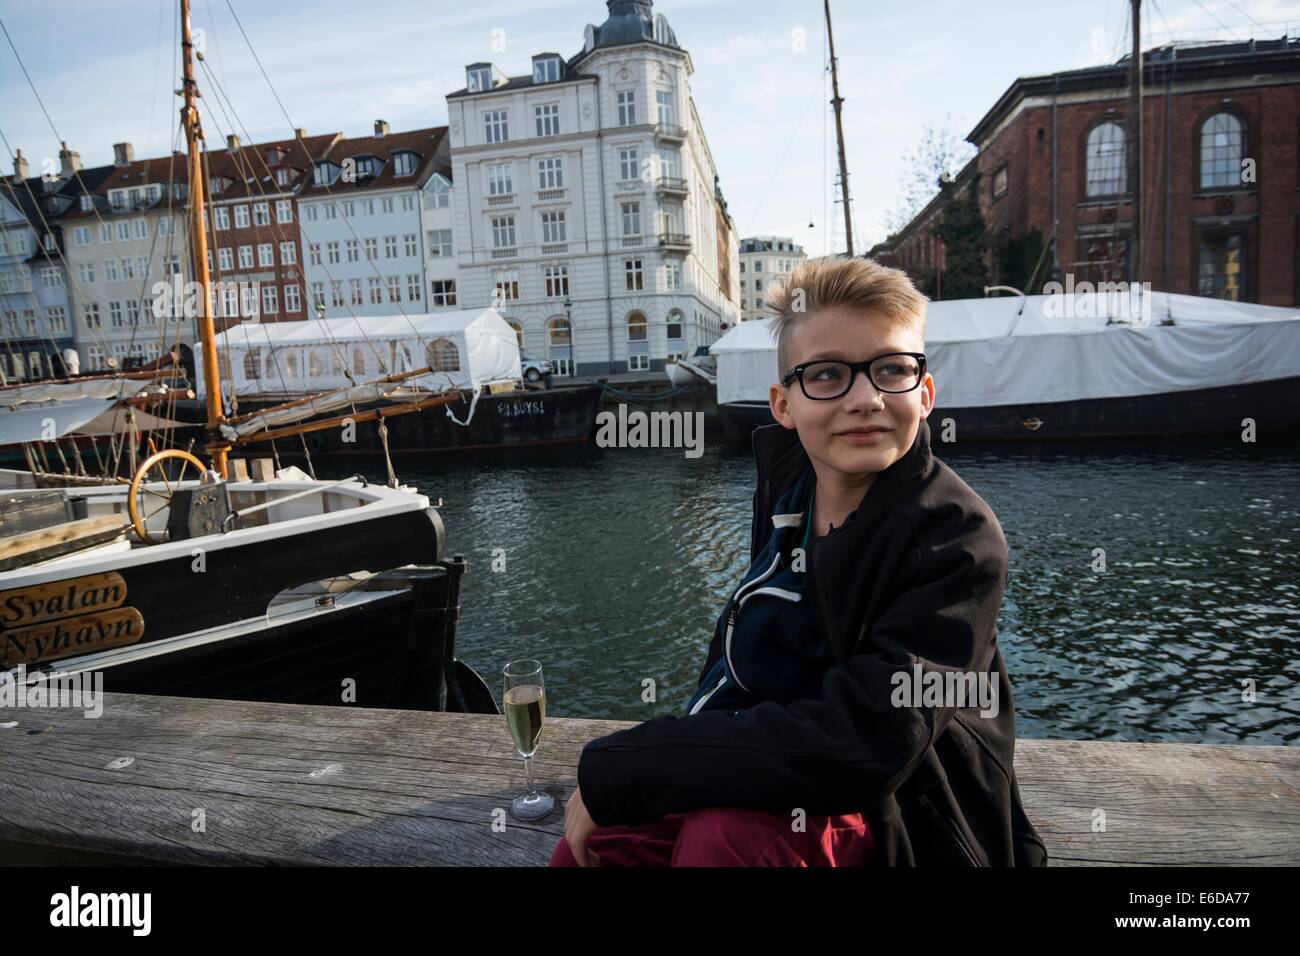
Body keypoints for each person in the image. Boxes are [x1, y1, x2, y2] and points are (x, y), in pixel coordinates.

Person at [551, 256, 1047, 867]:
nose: (865, 398)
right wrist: (647, 773)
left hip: (910, 816)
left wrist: (639, 763)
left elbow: (871, 742)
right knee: (594, 845)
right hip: (794, 764)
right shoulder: (791, 492)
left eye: (891, 369)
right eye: (828, 375)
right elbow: (756, 656)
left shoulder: (956, 538)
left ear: (924, 394)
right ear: (783, 405)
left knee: (725, 839)